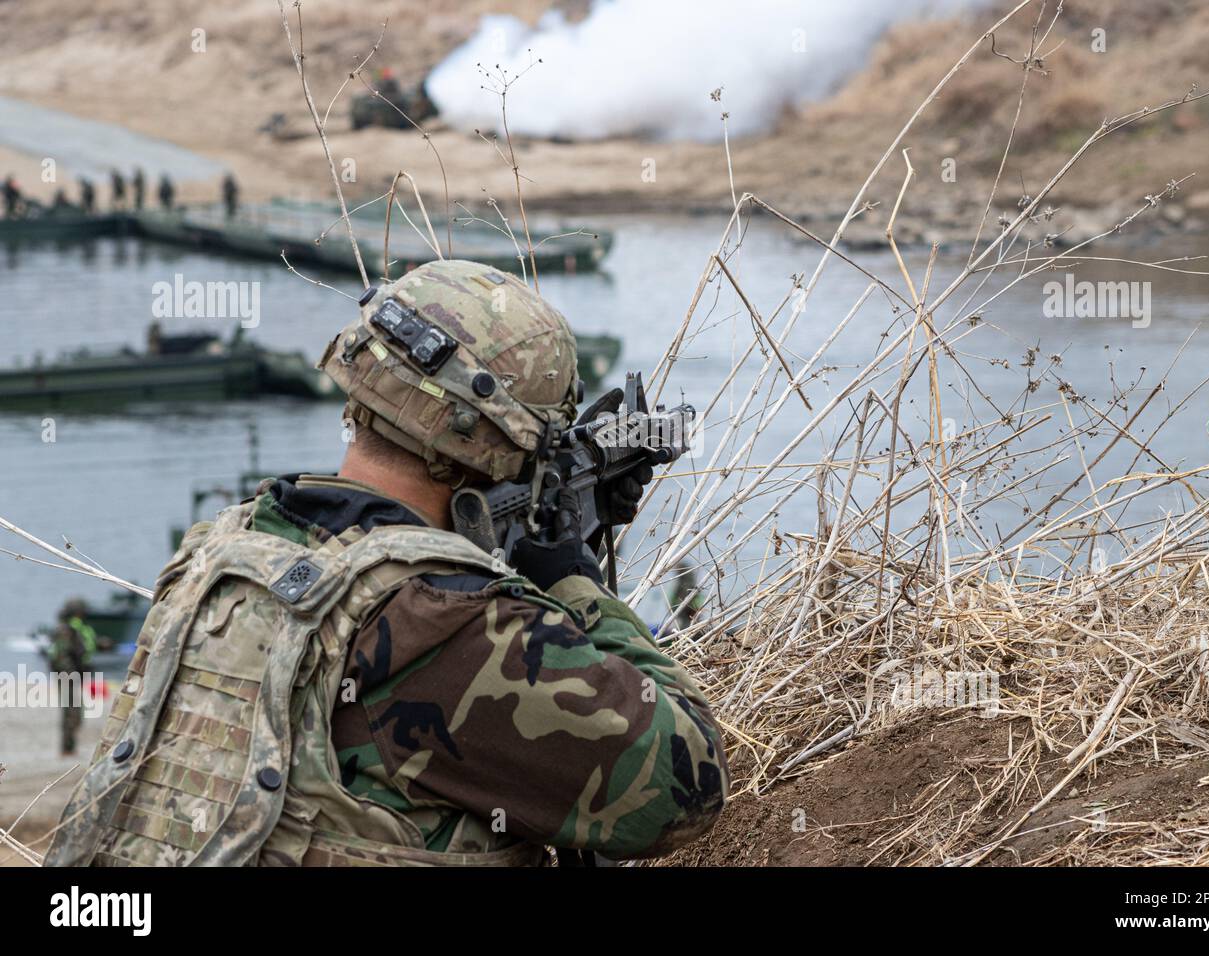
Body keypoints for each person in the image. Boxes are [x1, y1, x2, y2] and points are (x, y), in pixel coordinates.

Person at [45, 259, 728, 867]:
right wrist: (573, 581)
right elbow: (687, 784)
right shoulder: (444, 620)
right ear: (501, 450)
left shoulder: (217, 551)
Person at [44, 599, 98, 756]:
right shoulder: (66, 630)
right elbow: (62, 656)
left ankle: (69, 746)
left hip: (73, 676)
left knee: (75, 712)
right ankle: (67, 748)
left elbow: (81, 648)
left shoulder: (77, 629)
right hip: (68, 676)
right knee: (72, 712)